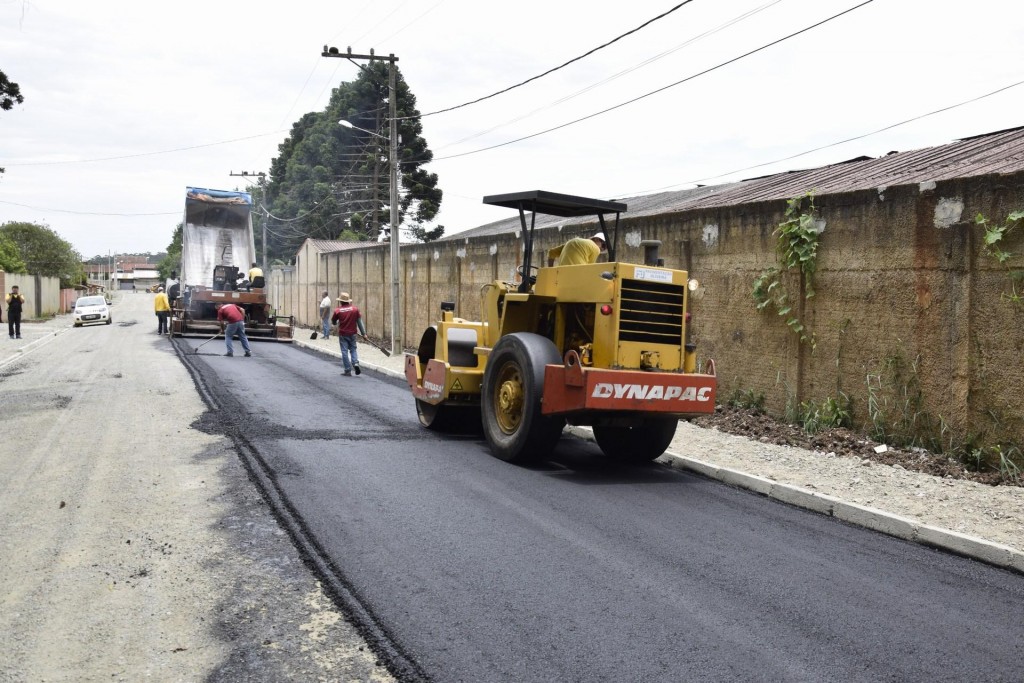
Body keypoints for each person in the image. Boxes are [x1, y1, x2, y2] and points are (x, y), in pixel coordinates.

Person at [331, 292, 366, 376]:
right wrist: (364, 334)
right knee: (353, 349)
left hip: (343, 334)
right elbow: (359, 322)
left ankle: (347, 370)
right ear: (348, 301)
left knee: (344, 351)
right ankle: (355, 363)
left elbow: (333, 321)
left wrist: (337, 322)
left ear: (341, 302)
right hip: (353, 334)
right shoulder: (355, 309)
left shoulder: (337, 311)